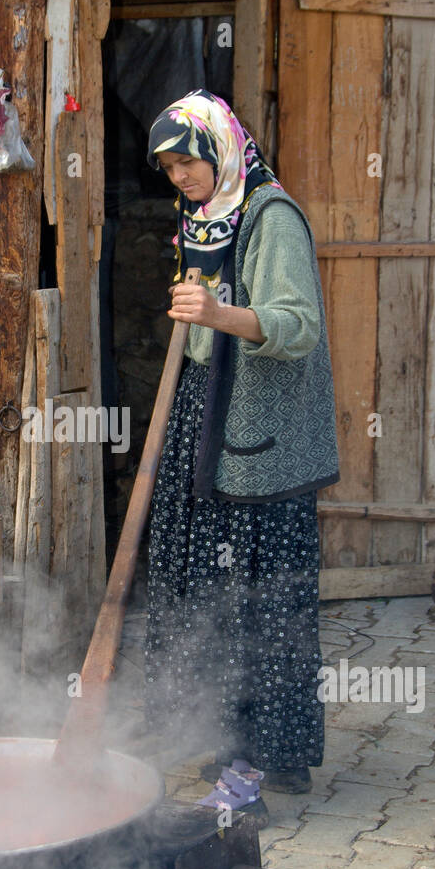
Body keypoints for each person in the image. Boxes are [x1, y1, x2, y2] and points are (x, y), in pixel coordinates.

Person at [142, 90, 340, 817]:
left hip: (261, 441)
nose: (180, 178)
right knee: (200, 585)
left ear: (218, 148)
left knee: (256, 601)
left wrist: (217, 313)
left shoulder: (271, 216)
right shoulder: (203, 215)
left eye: (186, 162)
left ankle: (249, 764)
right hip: (207, 417)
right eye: (167, 169)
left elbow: (296, 326)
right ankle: (242, 742)